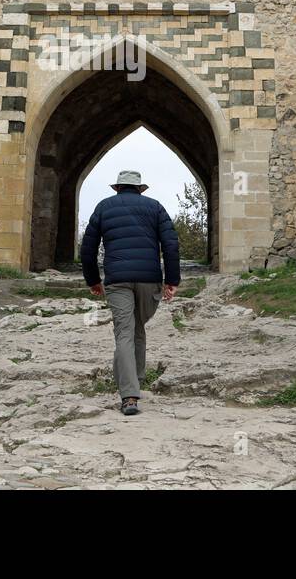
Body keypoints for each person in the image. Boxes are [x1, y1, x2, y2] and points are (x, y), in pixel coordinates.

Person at [80, 169, 181, 416]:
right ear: (140, 189)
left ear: (117, 188)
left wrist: (93, 279)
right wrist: (172, 280)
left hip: (118, 280)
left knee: (127, 331)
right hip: (150, 280)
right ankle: (131, 390)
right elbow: (170, 244)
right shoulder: (155, 207)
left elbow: (88, 248)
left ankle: (130, 390)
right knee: (135, 329)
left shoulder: (104, 206)